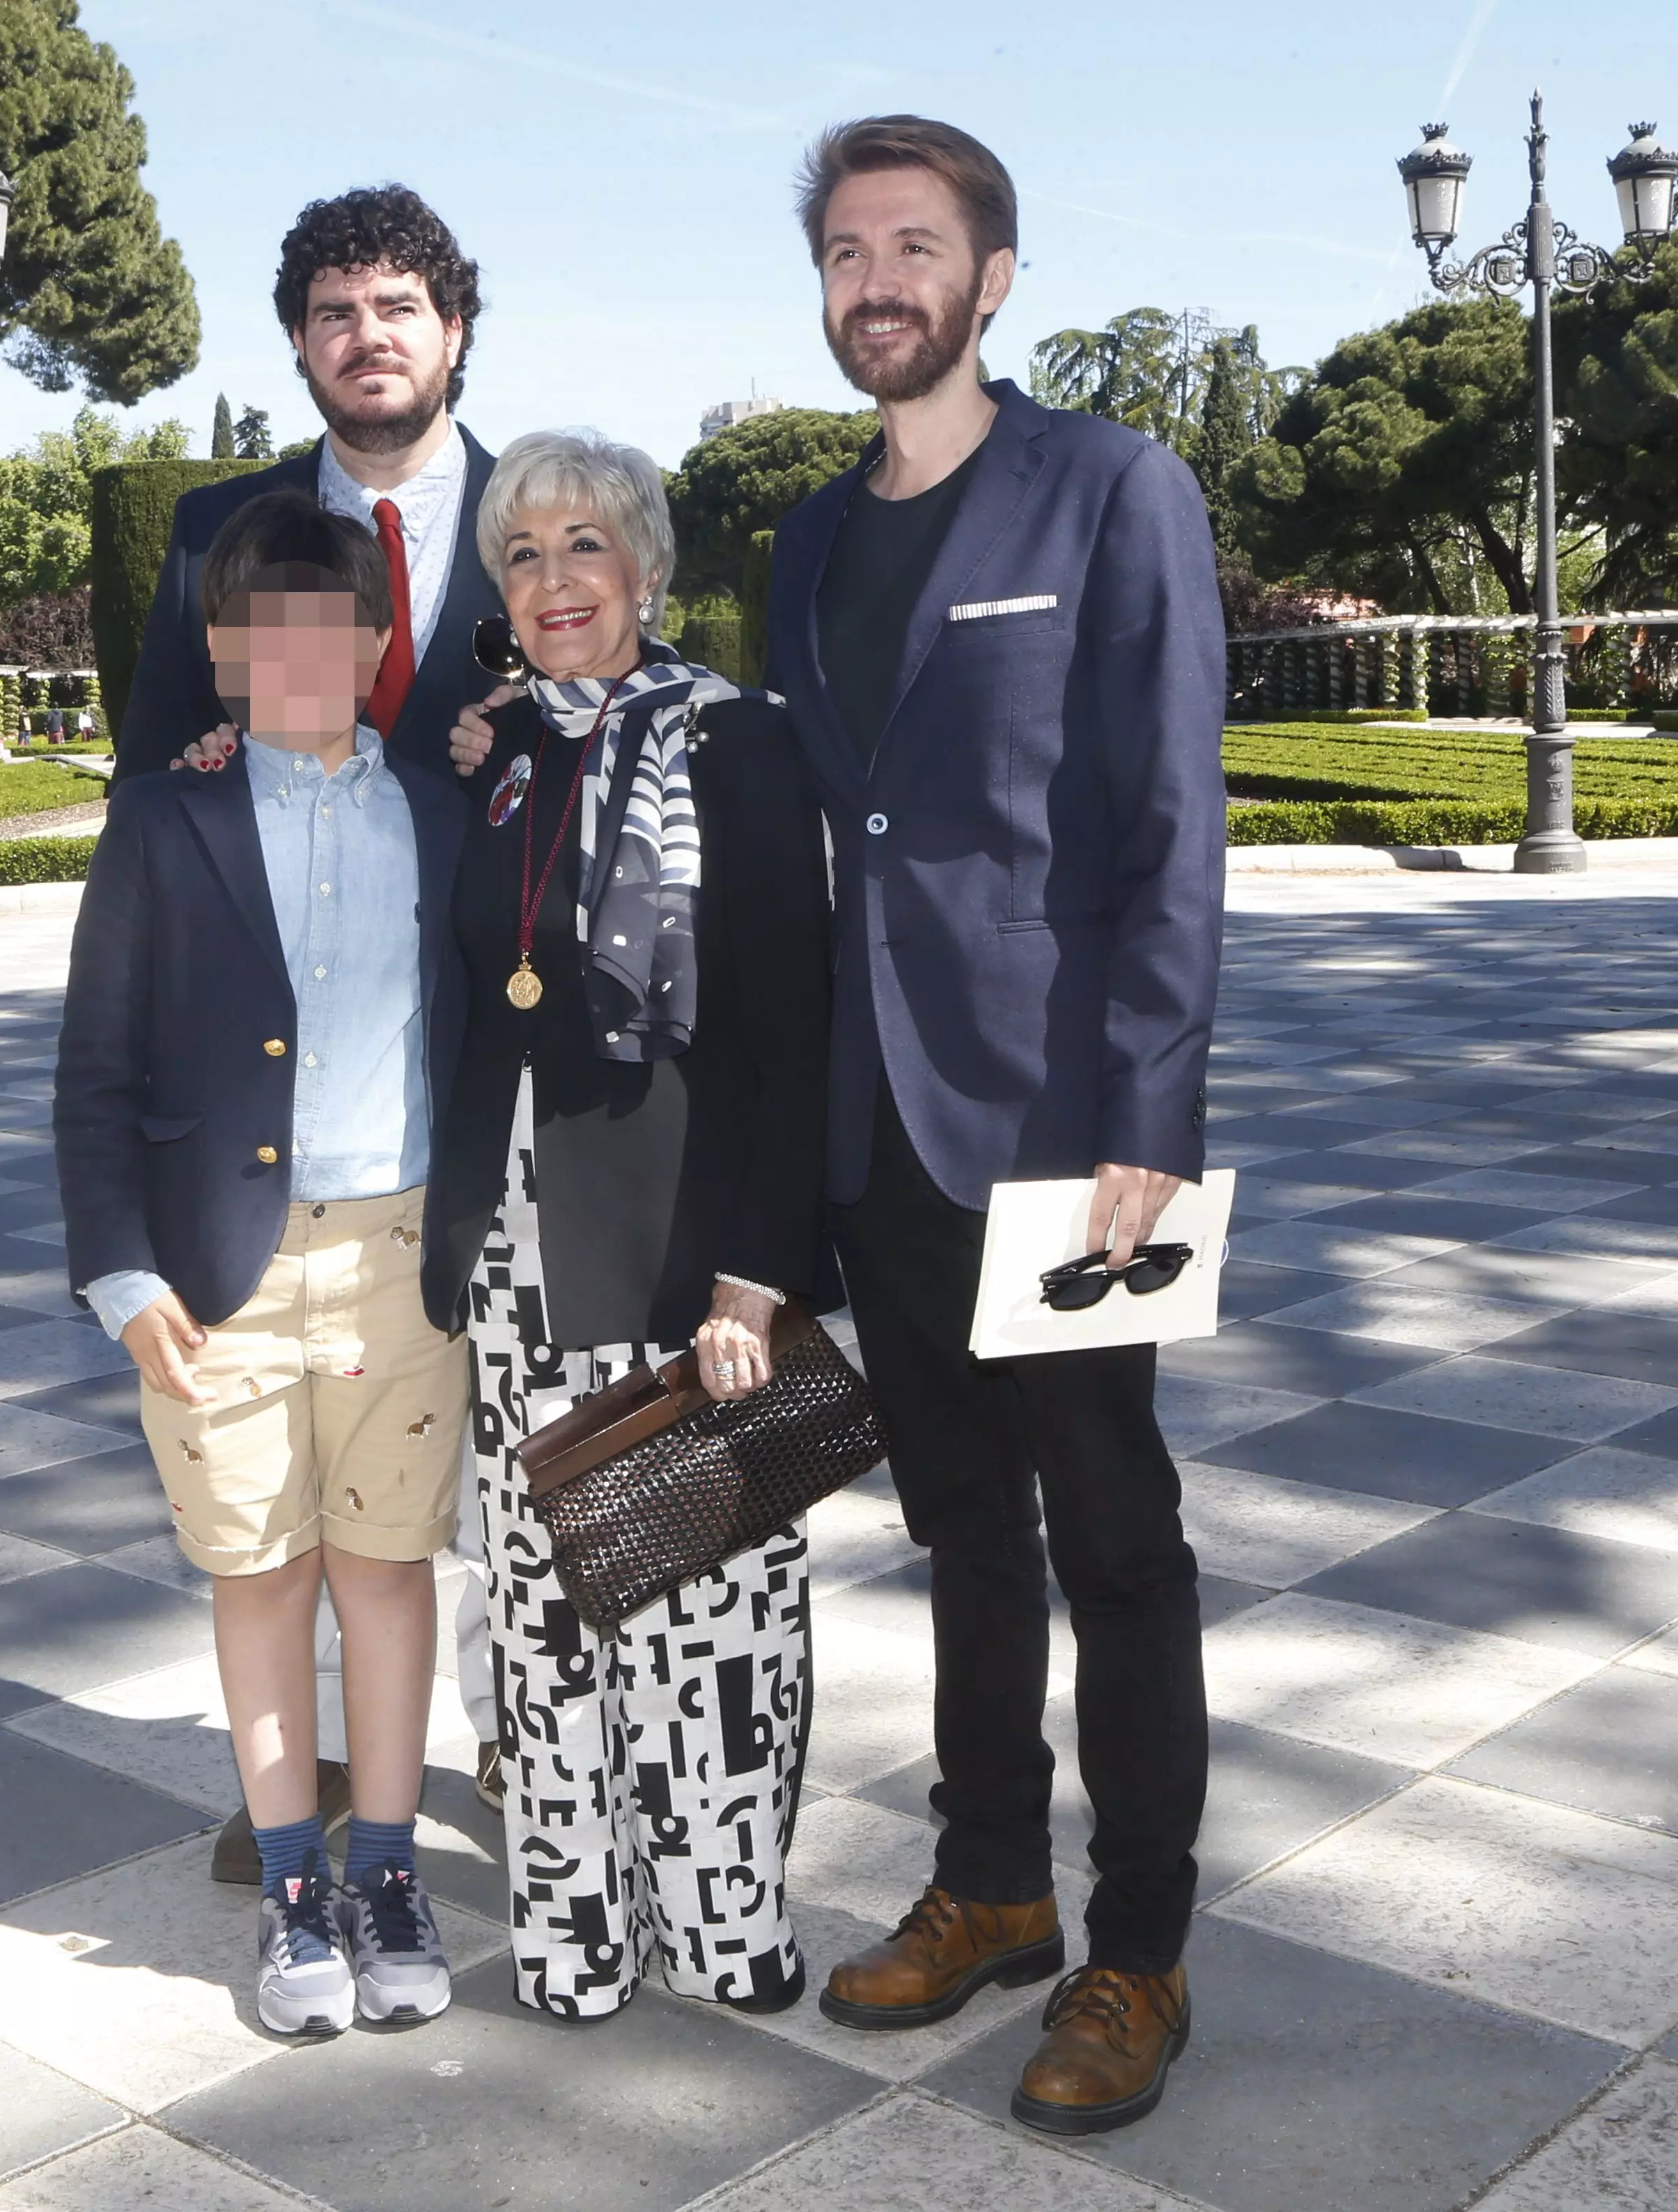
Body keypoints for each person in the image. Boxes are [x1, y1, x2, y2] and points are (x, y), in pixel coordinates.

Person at [772, 118, 1228, 2136]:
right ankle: (993, 1883)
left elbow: (1167, 826)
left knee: (1115, 1536)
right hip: (876, 1130)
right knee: (960, 1528)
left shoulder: (1112, 489)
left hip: (1064, 1129)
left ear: (993, 275)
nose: (882, 280)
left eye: (917, 246)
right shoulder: (804, 537)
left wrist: (1147, 1107)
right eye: (851, 250)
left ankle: (1139, 1950)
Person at [427, 429, 834, 2022]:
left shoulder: (735, 746)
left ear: (647, 570)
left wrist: (754, 1270)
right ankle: (574, 1928)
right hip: (513, 1251)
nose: (551, 582)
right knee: (538, 1605)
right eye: (519, 556)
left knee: (702, 1603)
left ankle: (724, 1918)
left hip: (680, 1248)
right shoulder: (497, 751)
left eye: (582, 546)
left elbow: (787, 1031)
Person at [56, 492, 473, 2037]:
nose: (296, 656)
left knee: (384, 1569)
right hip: (213, 1276)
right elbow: (94, 1063)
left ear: (374, 643)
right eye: (261, 631)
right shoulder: (165, 820)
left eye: (330, 627)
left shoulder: (437, 810)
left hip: (400, 1261)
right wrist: (118, 1268)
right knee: (259, 1571)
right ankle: (291, 1879)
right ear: (225, 653)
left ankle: (386, 1863)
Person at [120, 187, 502, 785]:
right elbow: (146, 783)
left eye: (398, 308)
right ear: (299, 342)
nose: (369, 337)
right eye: (334, 315)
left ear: (452, 332)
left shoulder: (545, 524)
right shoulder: (209, 532)